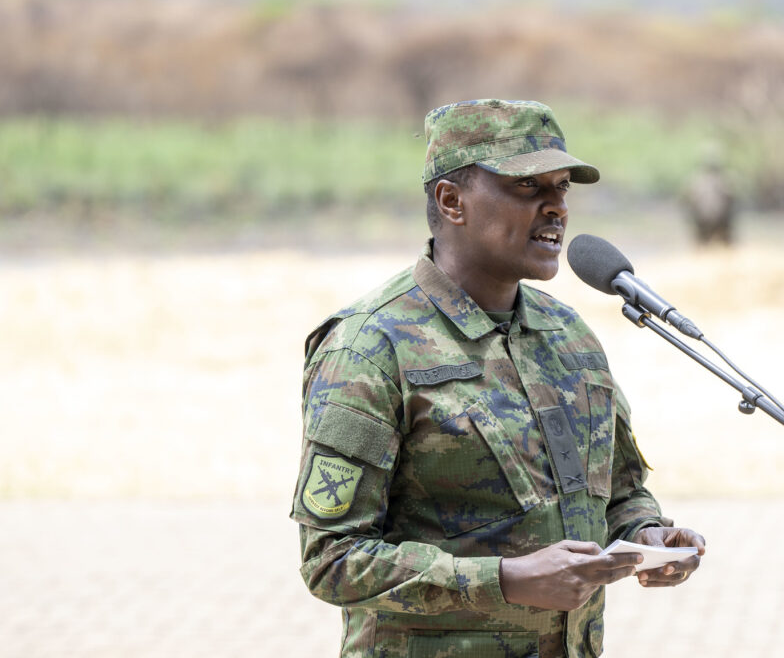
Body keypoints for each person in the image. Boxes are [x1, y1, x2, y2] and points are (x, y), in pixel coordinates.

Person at [291, 99, 706, 658]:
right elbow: (332, 560)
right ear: (451, 200)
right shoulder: (370, 346)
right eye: (528, 188)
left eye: (562, 188)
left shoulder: (567, 334)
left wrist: (646, 536)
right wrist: (506, 579)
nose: (557, 207)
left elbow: (621, 493)